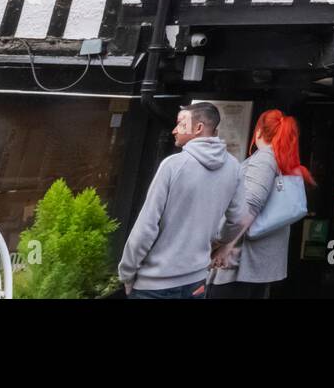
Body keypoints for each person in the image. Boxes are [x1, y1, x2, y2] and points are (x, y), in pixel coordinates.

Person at [118, 102, 244, 299]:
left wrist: (127, 272)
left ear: (198, 128)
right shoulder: (234, 167)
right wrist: (219, 242)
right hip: (196, 282)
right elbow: (237, 219)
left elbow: (146, 227)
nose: (174, 130)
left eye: (180, 123)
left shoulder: (172, 165)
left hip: (154, 283)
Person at [209, 109, 314, 299]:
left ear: (258, 131)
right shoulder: (283, 161)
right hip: (258, 264)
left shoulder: (265, 159)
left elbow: (249, 206)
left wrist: (224, 244)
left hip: (239, 262)